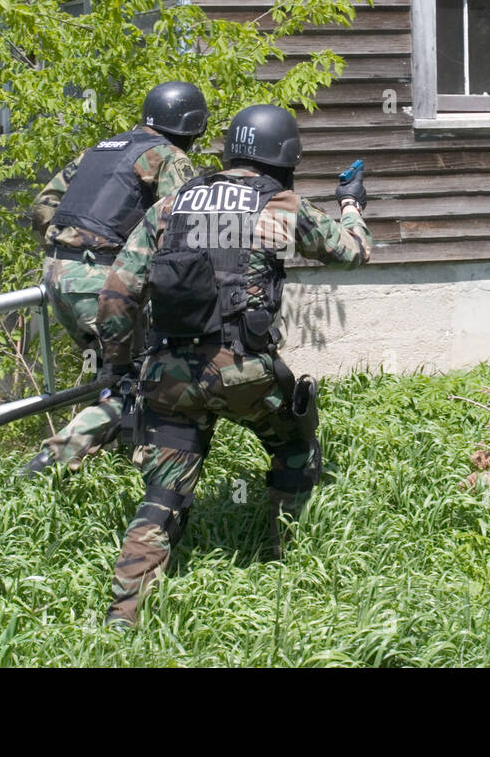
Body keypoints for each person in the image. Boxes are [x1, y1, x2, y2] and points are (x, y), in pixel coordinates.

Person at [94, 104, 371, 628]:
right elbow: (353, 252)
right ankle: (291, 562)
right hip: (244, 374)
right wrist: (351, 205)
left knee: (163, 494)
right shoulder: (280, 206)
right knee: (294, 443)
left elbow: (116, 297)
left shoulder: (174, 204)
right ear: (285, 155)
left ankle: (121, 619)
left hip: (169, 377)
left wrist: (120, 367)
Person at [25, 81, 208, 473]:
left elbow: (42, 207)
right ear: (193, 127)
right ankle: (50, 462)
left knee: (113, 372)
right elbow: (184, 227)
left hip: (58, 276)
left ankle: (115, 467)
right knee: (144, 380)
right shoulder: (168, 156)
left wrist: (70, 252)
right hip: (106, 281)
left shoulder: (100, 149)